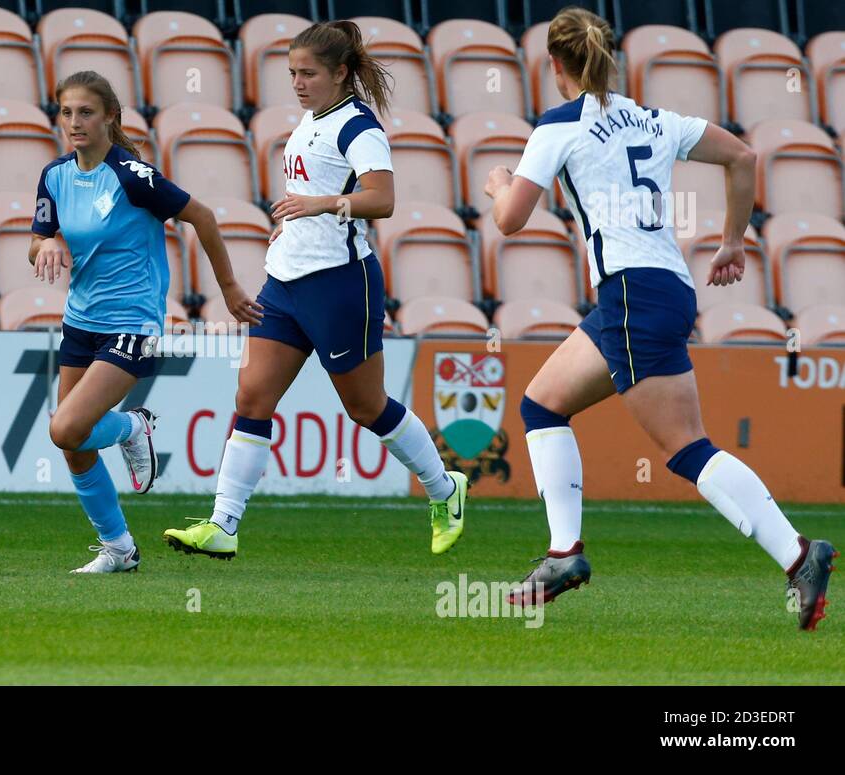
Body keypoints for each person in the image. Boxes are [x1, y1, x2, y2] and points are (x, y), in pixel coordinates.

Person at [484, 6, 836, 629]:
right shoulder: (654, 118)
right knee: (541, 403)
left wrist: (496, 184)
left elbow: (511, 220)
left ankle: (798, 553)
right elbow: (744, 156)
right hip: (661, 288)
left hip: (628, 297)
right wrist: (733, 239)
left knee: (687, 449)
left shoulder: (558, 127)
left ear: (555, 64)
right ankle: (564, 553)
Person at [163, 21, 469, 560]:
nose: (298, 83)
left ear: (340, 73)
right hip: (285, 282)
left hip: (340, 285)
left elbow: (382, 199)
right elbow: (314, 190)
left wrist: (322, 206)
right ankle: (223, 525)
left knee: (366, 406)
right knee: (252, 397)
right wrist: (297, 222)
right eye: (292, 73)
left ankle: (446, 490)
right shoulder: (310, 119)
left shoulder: (358, 126)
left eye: (308, 73)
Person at [30, 71, 263, 574]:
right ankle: (119, 550)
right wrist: (45, 242)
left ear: (111, 117)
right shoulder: (54, 176)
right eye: (67, 112)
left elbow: (202, 216)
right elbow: (39, 237)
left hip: (132, 324)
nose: (75, 122)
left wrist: (228, 288)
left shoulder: (133, 175)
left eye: (86, 112)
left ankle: (133, 427)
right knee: (71, 445)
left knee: (65, 426)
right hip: (80, 322)